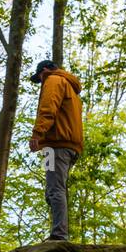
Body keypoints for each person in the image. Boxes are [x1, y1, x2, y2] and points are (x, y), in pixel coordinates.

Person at [28, 59, 83, 241]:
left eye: (40, 77)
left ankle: (59, 235)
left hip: (56, 145)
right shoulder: (71, 88)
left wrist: (37, 133)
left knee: (55, 189)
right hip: (69, 146)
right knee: (53, 189)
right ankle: (58, 231)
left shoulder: (53, 80)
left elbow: (48, 108)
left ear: (45, 70)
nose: (41, 81)